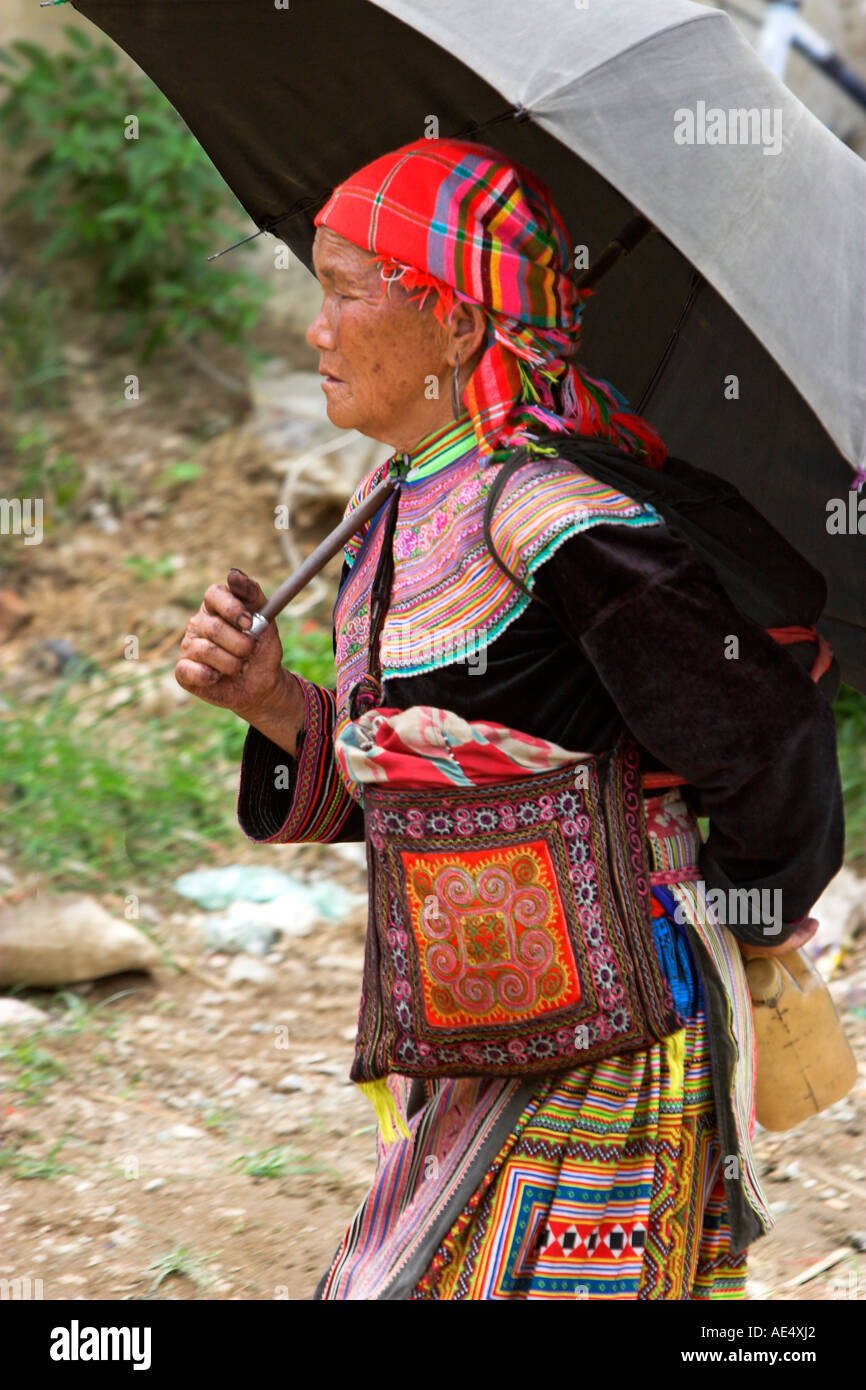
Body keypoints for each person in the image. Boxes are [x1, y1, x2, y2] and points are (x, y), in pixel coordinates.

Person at [175, 138, 844, 1300]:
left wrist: (748, 910)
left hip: (616, 1055)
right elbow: (422, 785)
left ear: (457, 326)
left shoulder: (563, 524)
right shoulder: (399, 502)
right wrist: (274, 703)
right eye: (317, 290)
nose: (315, 331)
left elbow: (766, 739)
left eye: (343, 293)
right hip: (482, 1052)